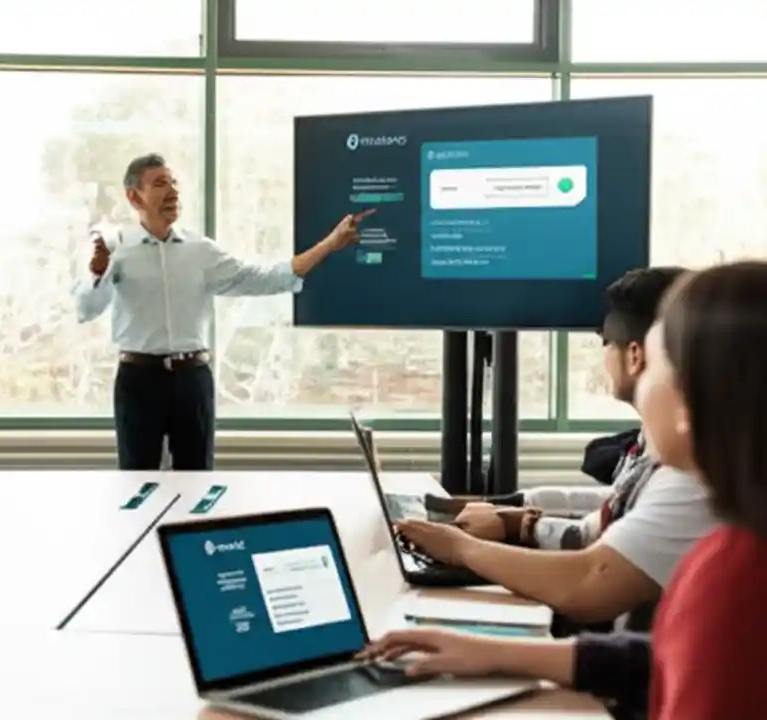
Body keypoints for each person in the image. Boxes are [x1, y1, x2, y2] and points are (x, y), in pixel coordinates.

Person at [364, 261, 767, 720]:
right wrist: (494, 652)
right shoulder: (737, 545)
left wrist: (464, 547)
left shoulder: (734, 571)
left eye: (657, 364)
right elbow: (666, 658)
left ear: (690, 403)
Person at [397, 268, 717, 632]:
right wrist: (511, 511)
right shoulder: (691, 467)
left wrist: (463, 547)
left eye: (663, 364)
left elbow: (589, 582)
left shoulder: (697, 478)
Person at [75, 153, 372, 471]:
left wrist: (329, 243)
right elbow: (86, 309)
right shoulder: (116, 250)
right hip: (138, 379)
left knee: (198, 476)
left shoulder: (199, 250)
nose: (173, 191)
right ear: (134, 196)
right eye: (160, 183)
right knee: (136, 478)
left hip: (192, 378)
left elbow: (263, 277)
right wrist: (96, 274)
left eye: (174, 182)